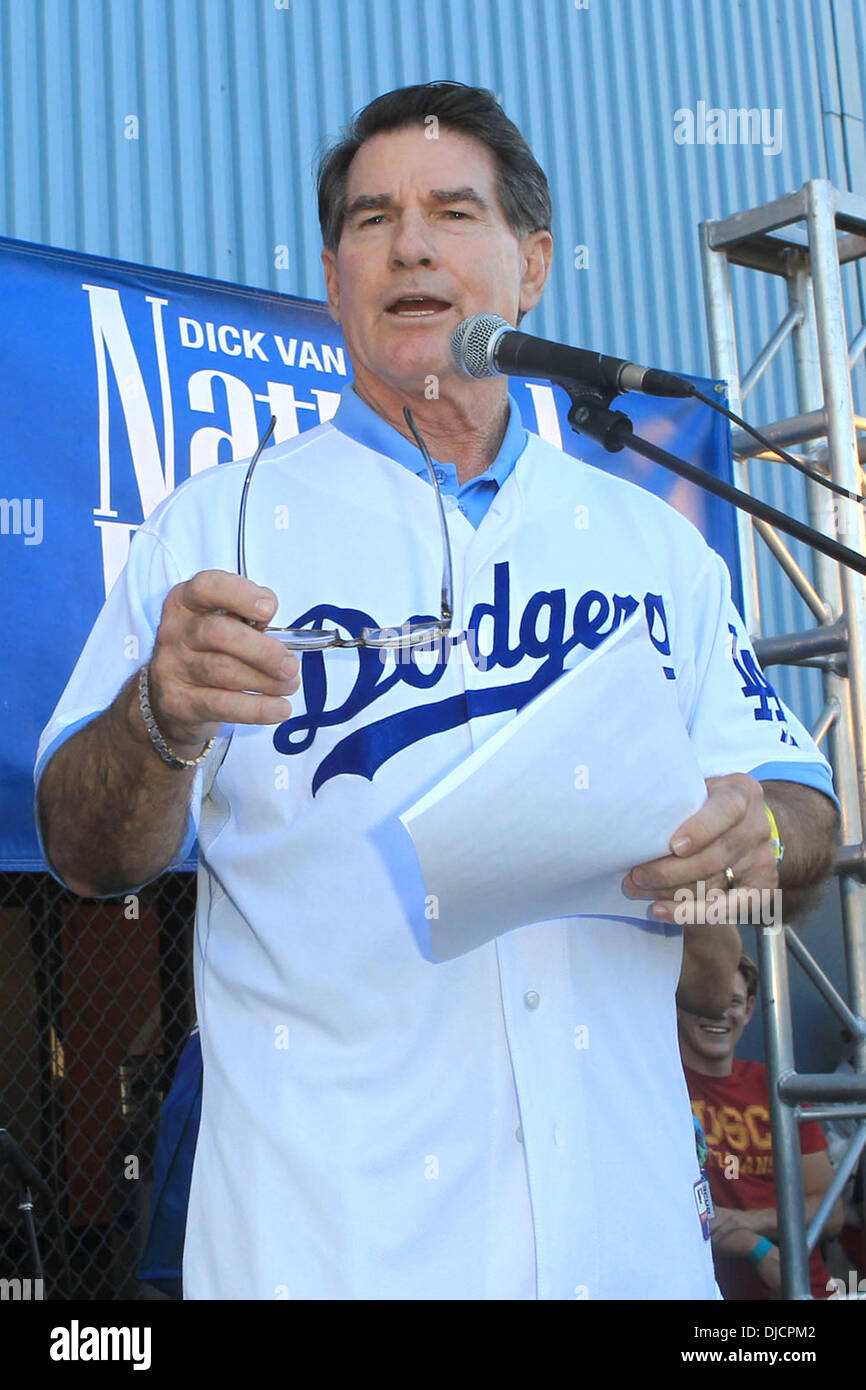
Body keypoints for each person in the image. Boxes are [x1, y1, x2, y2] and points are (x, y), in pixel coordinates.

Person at [35, 81, 840, 1300]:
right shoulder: (215, 526)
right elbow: (87, 855)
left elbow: (803, 834)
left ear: (531, 265)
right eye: (370, 220)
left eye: (449, 211)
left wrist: (756, 835)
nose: (407, 242)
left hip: (622, 1249)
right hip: (322, 1253)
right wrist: (160, 717)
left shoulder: (648, 540)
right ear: (332, 280)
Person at [679, 953, 843, 1298]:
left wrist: (749, 1222)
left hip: (803, 1289)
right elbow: (666, 1216)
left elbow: (831, 1212)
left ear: (750, 1009)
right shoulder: (660, 1089)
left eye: (734, 1001)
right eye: (707, 1000)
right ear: (679, 1005)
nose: (720, 1012)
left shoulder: (777, 1086)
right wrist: (754, 1247)